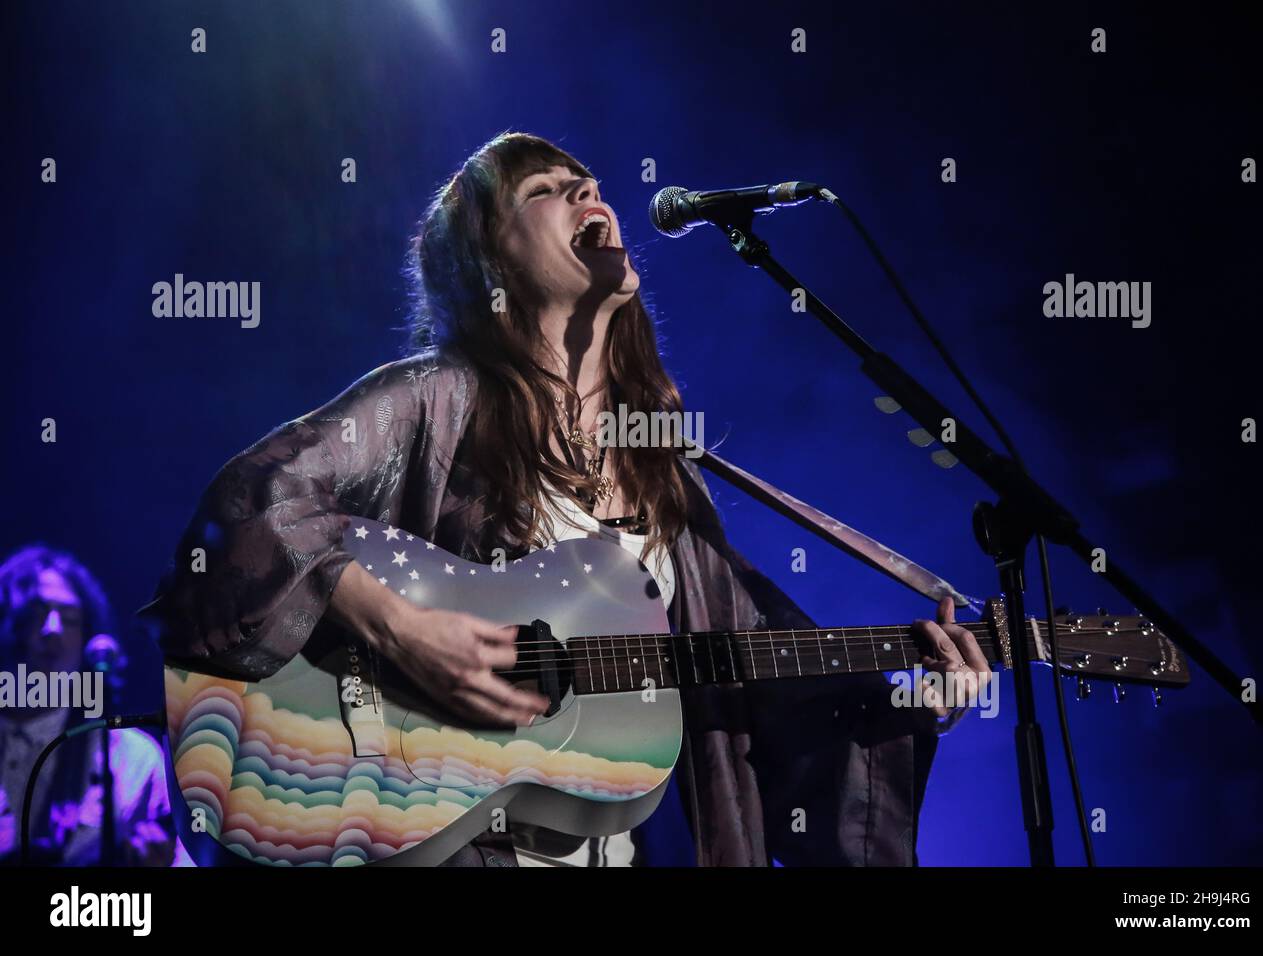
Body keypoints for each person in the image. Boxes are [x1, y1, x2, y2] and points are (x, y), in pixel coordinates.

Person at [142, 132, 990, 867]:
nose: (588, 192)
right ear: (490, 263)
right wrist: (400, 626)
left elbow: (777, 709)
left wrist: (910, 702)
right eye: (543, 191)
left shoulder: (671, 483)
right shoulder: (434, 402)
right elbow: (246, 508)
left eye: (587, 183)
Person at [0, 545, 179, 866]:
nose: (51, 629)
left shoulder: (131, 759)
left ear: (87, 639)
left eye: (68, 619)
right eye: (36, 612)